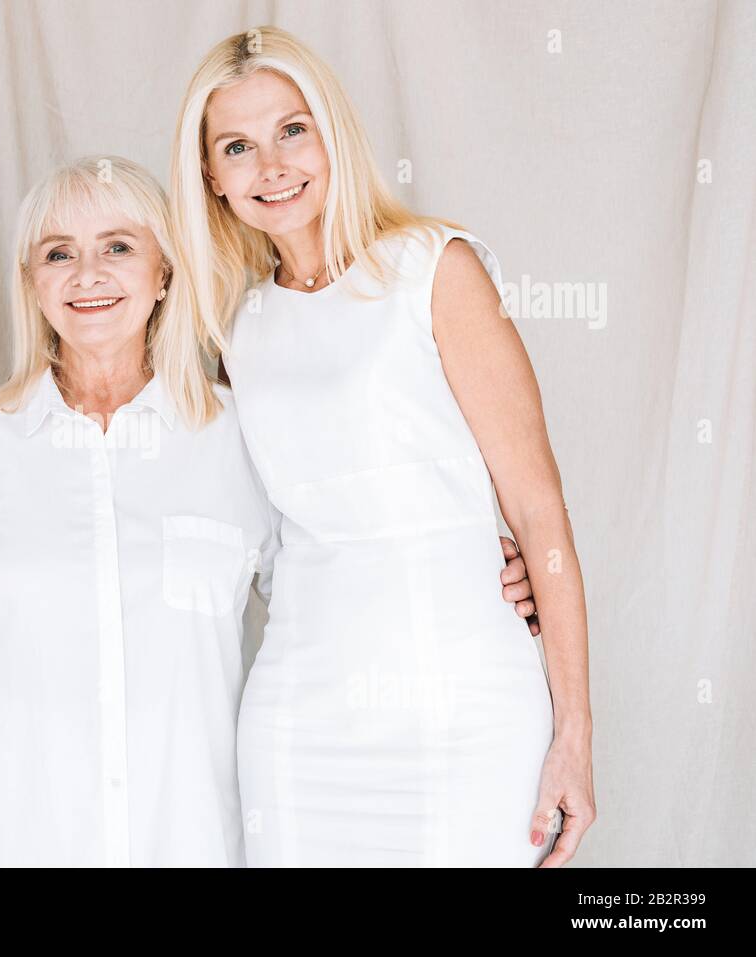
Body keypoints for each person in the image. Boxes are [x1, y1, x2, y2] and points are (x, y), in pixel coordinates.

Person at [169, 26, 595, 866]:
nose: (273, 165)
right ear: (212, 179)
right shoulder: (237, 332)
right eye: (238, 147)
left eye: (293, 129)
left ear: (333, 131)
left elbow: (539, 509)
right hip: (300, 717)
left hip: (467, 703)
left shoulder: (434, 269)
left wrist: (574, 732)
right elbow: (248, 536)